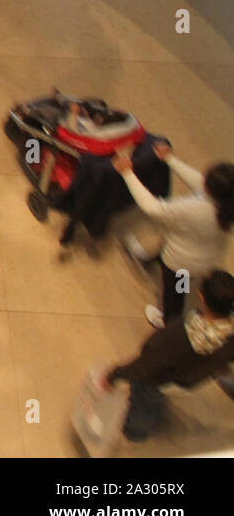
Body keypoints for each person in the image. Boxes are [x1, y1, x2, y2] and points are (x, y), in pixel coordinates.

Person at [97, 270, 234, 442]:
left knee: (144, 404)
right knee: (155, 396)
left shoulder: (179, 335)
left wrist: (113, 376)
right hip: (190, 378)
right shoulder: (229, 335)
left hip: (158, 378)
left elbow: (147, 365)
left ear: (202, 297)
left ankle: (135, 432)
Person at [112, 142, 234, 328]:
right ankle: (148, 261)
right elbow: (199, 181)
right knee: (171, 261)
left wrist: (127, 173)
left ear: (211, 187)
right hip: (204, 256)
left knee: (175, 291)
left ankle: (168, 320)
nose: (203, 179)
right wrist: (169, 159)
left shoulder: (194, 210)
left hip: (183, 263)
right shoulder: (226, 202)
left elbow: (153, 208)